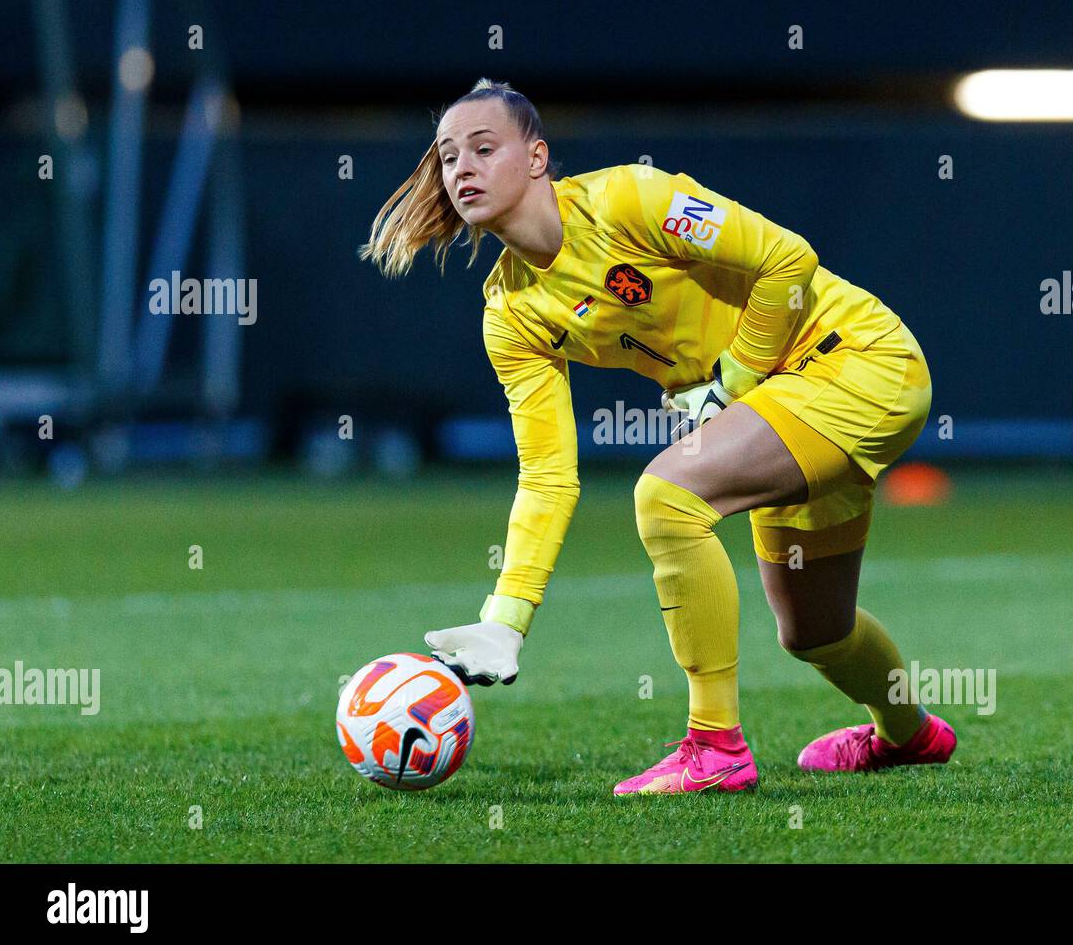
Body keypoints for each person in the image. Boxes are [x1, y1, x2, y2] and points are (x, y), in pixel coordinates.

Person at [361, 78, 956, 796]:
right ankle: (910, 735)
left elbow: (788, 261)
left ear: (538, 156)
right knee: (815, 630)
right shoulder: (511, 316)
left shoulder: (629, 200)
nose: (461, 169)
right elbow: (548, 474)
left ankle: (715, 747)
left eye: (483, 148)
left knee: (670, 495)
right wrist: (506, 620)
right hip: (787, 405)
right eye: (448, 157)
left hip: (858, 360)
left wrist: (731, 381)